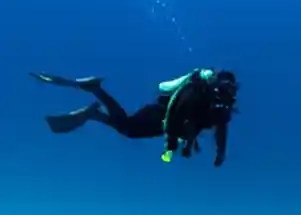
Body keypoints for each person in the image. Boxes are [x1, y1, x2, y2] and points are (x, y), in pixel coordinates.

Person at [29, 68, 238, 166]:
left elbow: (221, 131)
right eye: (225, 88)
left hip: (163, 122)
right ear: (217, 85)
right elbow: (175, 109)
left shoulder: (220, 111)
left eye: (231, 91)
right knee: (128, 128)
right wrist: (172, 143)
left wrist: (220, 152)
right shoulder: (197, 92)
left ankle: (95, 105)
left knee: (127, 129)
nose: (226, 94)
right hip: (159, 115)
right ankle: (95, 96)